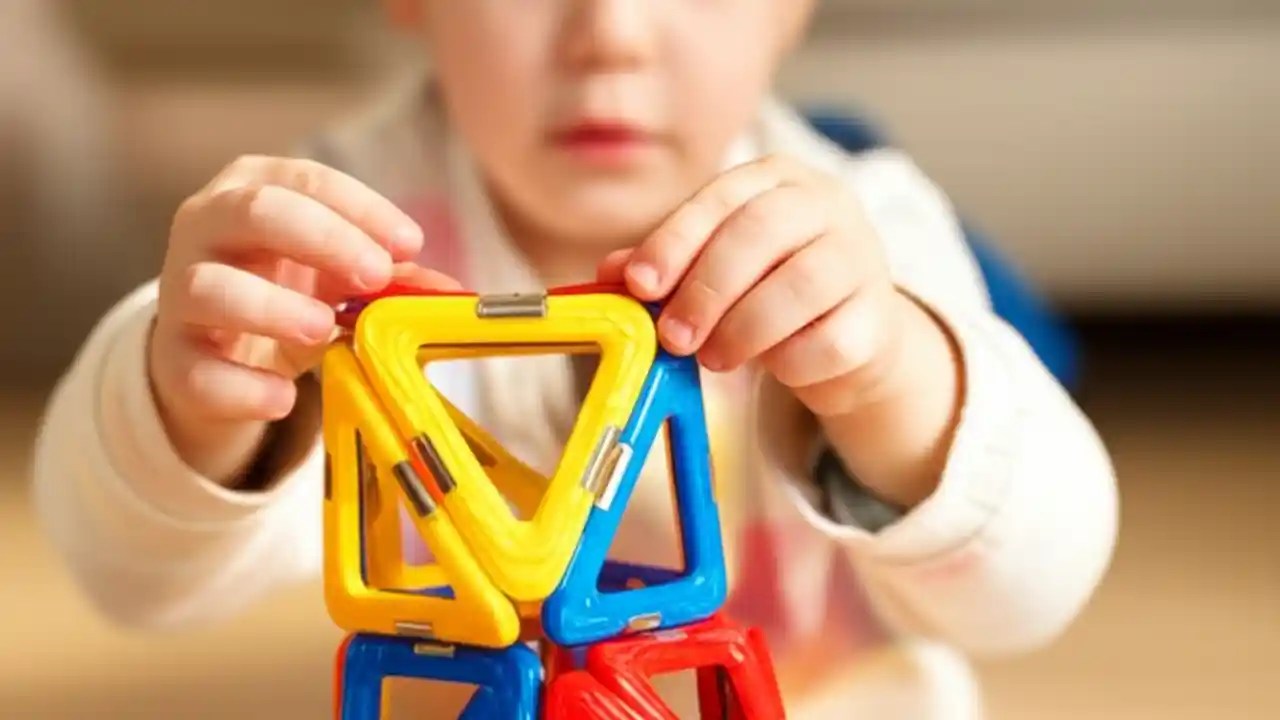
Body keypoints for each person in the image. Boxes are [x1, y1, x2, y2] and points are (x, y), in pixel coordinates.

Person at [30, 1, 1118, 716]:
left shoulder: (866, 230)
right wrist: (199, 415)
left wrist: (891, 384)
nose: (610, 31)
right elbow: (130, 582)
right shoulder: (329, 236)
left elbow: (1031, 596)